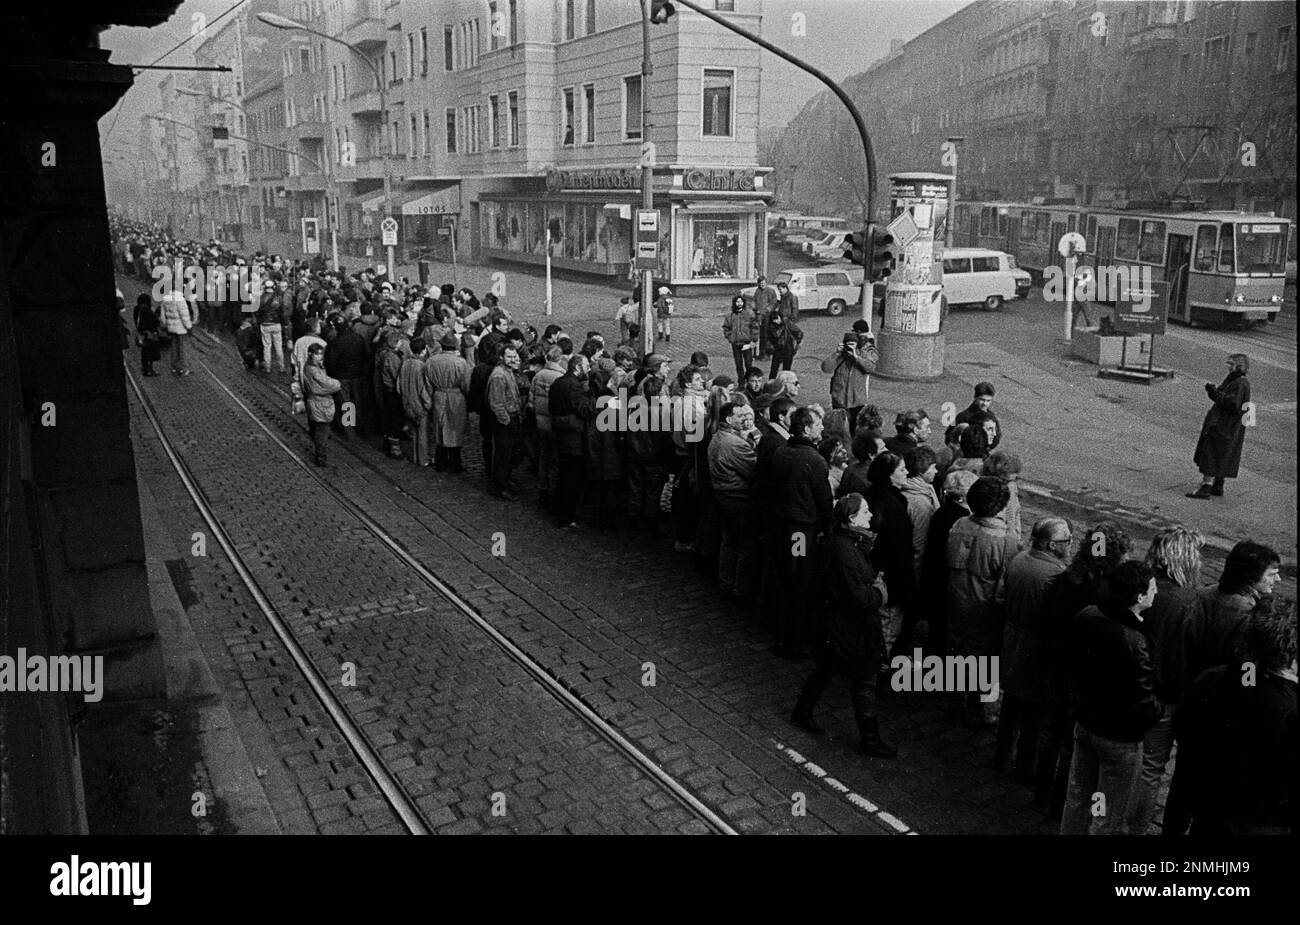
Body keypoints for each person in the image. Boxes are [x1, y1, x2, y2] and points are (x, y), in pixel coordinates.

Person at [1161, 539, 1282, 835]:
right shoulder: (1252, 618)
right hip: (1225, 714)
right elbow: (1248, 677)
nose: (1278, 579)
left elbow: (1180, 650)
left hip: (1193, 701)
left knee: (1183, 782)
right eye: (1272, 573)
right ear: (1250, 576)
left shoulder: (1200, 596)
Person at [1174, 596, 1297, 835]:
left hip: (1211, 810)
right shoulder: (1289, 708)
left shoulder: (1212, 679)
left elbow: (1186, 745)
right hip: (1261, 821)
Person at [1035, 521, 1132, 819]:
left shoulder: (1068, 578)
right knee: (1070, 741)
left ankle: (1041, 788)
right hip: (1083, 676)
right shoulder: (1107, 593)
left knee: (1051, 729)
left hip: (1057, 664)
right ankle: (1060, 803)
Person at [790, 492, 897, 758]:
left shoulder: (844, 541)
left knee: (826, 668)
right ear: (852, 518)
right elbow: (859, 597)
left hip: (836, 626)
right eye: (865, 512)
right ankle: (869, 739)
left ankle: (802, 711)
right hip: (852, 628)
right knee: (864, 680)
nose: (870, 515)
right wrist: (880, 592)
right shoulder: (846, 551)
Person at [1059, 560, 1162, 835]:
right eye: (1152, 588)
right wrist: (1157, 709)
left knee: (1078, 796)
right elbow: (1143, 698)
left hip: (1086, 722)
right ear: (1139, 597)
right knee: (1108, 810)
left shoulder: (1088, 614)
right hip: (1118, 737)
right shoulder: (1135, 640)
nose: (1156, 593)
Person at [1126, 526, 1205, 835]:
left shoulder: (1140, 587)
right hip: (1165, 697)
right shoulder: (1189, 601)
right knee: (1150, 770)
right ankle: (1134, 827)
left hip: (1134, 688)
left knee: (1129, 759)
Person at [996, 517, 1071, 780]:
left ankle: (1001, 757)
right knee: (1033, 716)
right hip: (1035, 648)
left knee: (1010, 707)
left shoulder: (1019, 560)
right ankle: (1024, 767)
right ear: (1052, 545)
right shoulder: (1055, 575)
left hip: (1012, 638)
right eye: (1066, 541)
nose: (1069, 546)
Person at [946, 476, 1018, 724]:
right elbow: (1004, 583)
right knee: (984, 660)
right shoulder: (1005, 540)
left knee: (958, 649)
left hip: (957, 599)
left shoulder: (959, 524)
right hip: (984, 608)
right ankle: (978, 708)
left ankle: (955, 699)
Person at [769, 406, 831, 658]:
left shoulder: (781, 451)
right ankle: (797, 640)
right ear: (807, 429)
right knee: (801, 581)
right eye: (818, 425)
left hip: (781, 526)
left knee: (786, 580)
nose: (822, 429)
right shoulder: (814, 460)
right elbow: (824, 501)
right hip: (801, 532)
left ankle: (786, 633)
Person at [710, 401, 760, 600]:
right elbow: (754, 470)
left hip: (724, 496)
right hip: (737, 499)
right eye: (740, 416)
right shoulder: (735, 443)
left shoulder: (719, 437)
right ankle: (740, 588)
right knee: (744, 546)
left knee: (729, 542)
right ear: (729, 419)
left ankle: (726, 581)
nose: (744, 420)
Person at [1187, 353, 1250, 499]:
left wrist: (1214, 393)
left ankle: (1206, 486)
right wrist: (1214, 392)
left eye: (1230, 364)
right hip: (1229, 425)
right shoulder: (1238, 380)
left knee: (1212, 452)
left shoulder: (1239, 383)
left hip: (1223, 424)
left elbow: (1232, 403)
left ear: (1237, 366)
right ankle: (1218, 484)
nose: (1228, 366)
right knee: (1223, 453)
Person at [550, 354, 597, 527]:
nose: (589, 369)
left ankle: (558, 508)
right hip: (574, 440)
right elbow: (585, 410)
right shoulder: (575, 387)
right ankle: (567, 516)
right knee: (572, 479)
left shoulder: (558, 382)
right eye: (586, 366)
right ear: (578, 368)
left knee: (564, 475)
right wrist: (597, 401)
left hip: (561, 436)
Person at [425, 330, 471, 473]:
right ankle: (455, 462)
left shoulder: (431, 361)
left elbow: (427, 383)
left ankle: (441, 461)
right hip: (456, 397)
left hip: (438, 395)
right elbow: (466, 384)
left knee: (440, 427)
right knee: (456, 429)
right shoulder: (461, 363)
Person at [485, 343, 524, 499]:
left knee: (509, 453)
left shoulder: (508, 371)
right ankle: (500, 486)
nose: (513, 359)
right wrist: (506, 420)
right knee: (502, 455)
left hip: (512, 418)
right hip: (504, 421)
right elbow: (496, 402)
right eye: (509, 356)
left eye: (515, 356)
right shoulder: (499, 375)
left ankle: (506, 481)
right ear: (501, 357)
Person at [530, 345, 566, 510]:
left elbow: (531, 400)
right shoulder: (560, 377)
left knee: (544, 456)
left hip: (540, 422)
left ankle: (542, 489)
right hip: (553, 423)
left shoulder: (539, 375)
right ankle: (553, 491)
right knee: (556, 460)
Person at [324, 314, 370, 440]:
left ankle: (350, 433)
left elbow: (330, 362)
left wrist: (334, 375)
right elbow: (366, 355)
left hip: (342, 377)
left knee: (346, 404)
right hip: (358, 376)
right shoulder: (358, 338)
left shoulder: (335, 342)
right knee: (359, 402)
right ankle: (363, 430)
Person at [822, 333, 876, 433]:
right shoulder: (840, 356)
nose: (850, 347)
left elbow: (871, 368)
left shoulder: (862, 355)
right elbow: (826, 368)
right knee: (839, 430)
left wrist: (856, 357)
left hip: (857, 402)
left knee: (854, 430)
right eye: (848, 344)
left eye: (853, 344)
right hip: (839, 401)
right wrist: (836, 353)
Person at [302, 343, 342, 467]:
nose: (320, 357)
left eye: (321, 354)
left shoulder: (311, 366)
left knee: (317, 429)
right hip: (321, 405)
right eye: (317, 354)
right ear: (311, 354)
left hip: (316, 404)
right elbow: (325, 383)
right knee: (322, 430)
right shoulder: (313, 370)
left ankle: (320, 452)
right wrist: (338, 383)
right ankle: (321, 455)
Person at [398, 337, 433, 467]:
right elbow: (424, 389)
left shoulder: (405, 363)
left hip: (407, 402)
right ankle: (423, 459)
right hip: (419, 404)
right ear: (423, 350)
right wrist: (428, 404)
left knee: (414, 432)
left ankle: (415, 457)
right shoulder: (422, 366)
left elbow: (399, 386)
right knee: (422, 433)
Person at [158, 277, 196, 376]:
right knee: (182, 349)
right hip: (181, 329)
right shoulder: (180, 299)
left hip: (171, 328)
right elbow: (184, 316)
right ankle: (183, 369)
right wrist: (189, 327)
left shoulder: (165, 299)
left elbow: (162, 316)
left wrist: (166, 325)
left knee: (174, 347)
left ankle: (174, 368)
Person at [256, 277, 289, 374]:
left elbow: (257, 312)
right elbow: (282, 312)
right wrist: (284, 324)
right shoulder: (278, 298)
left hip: (265, 324)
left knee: (267, 347)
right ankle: (281, 367)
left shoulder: (260, 298)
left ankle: (267, 367)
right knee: (278, 347)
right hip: (276, 324)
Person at [722, 294, 759, 381]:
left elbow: (755, 327)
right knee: (738, 364)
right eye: (737, 302)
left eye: (741, 302)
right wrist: (730, 337)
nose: (739, 303)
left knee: (748, 364)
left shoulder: (749, 314)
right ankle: (741, 382)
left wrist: (753, 340)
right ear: (734, 303)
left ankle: (750, 381)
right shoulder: (730, 316)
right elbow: (726, 328)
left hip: (746, 343)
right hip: (736, 343)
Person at [954, 381, 1001, 448]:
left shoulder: (992, 416)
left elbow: (997, 436)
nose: (985, 403)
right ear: (975, 398)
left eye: (988, 401)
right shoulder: (962, 417)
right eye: (982, 399)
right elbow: (951, 438)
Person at [765, 311, 803, 378]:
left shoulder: (787, 324)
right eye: (774, 319)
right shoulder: (770, 327)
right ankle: (771, 384)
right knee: (773, 370)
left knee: (786, 370)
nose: (776, 321)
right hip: (777, 350)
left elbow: (798, 332)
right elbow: (769, 340)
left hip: (788, 349)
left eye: (777, 318)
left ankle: (785, 384)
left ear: (780, 317)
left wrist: (798, 342)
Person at [134, 293, 163, 376]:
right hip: (150, 334)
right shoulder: (146, 310)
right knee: (150, 352)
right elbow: (155, 321)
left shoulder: (137, 308)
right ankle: (149, 370)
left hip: (142, 333)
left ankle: (145, 369)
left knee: (144, 352)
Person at [753, 275, 780, 359]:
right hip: (759, 316)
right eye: (761, 283)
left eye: (764, 283)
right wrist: (755, 309)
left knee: (766, 335)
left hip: (767, 316)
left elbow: (773, 303)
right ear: (758, 284)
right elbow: (754, 302)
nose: (762, 285)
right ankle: (759, 353)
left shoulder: (770, 291)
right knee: (759, 335)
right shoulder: (757, 291)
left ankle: (766, 353)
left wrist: (766, 310)